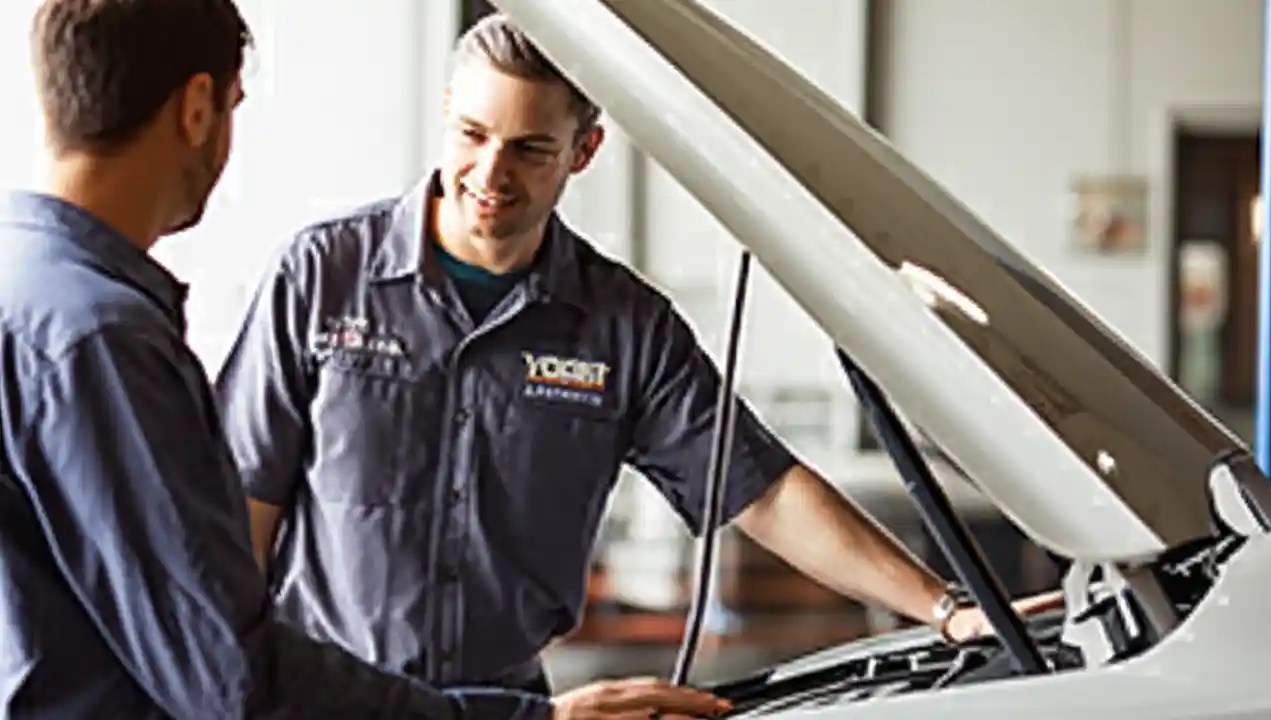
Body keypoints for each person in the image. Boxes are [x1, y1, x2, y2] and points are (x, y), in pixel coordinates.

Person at [216, 11, 1060, 698]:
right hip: (330, 705)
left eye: (530, 149)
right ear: (447, 111)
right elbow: (237, 514)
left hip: (513, 705)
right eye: (473, 133)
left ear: (582, 150)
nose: (490, 171)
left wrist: (947, 609)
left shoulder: (620, 326)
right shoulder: (324, 277)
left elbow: (761, 490)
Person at [0, 2, 729, 718]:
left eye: (530, 147)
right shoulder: (104, 337)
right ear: (198, 107)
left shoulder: (29, 295)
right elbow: (227, 676)